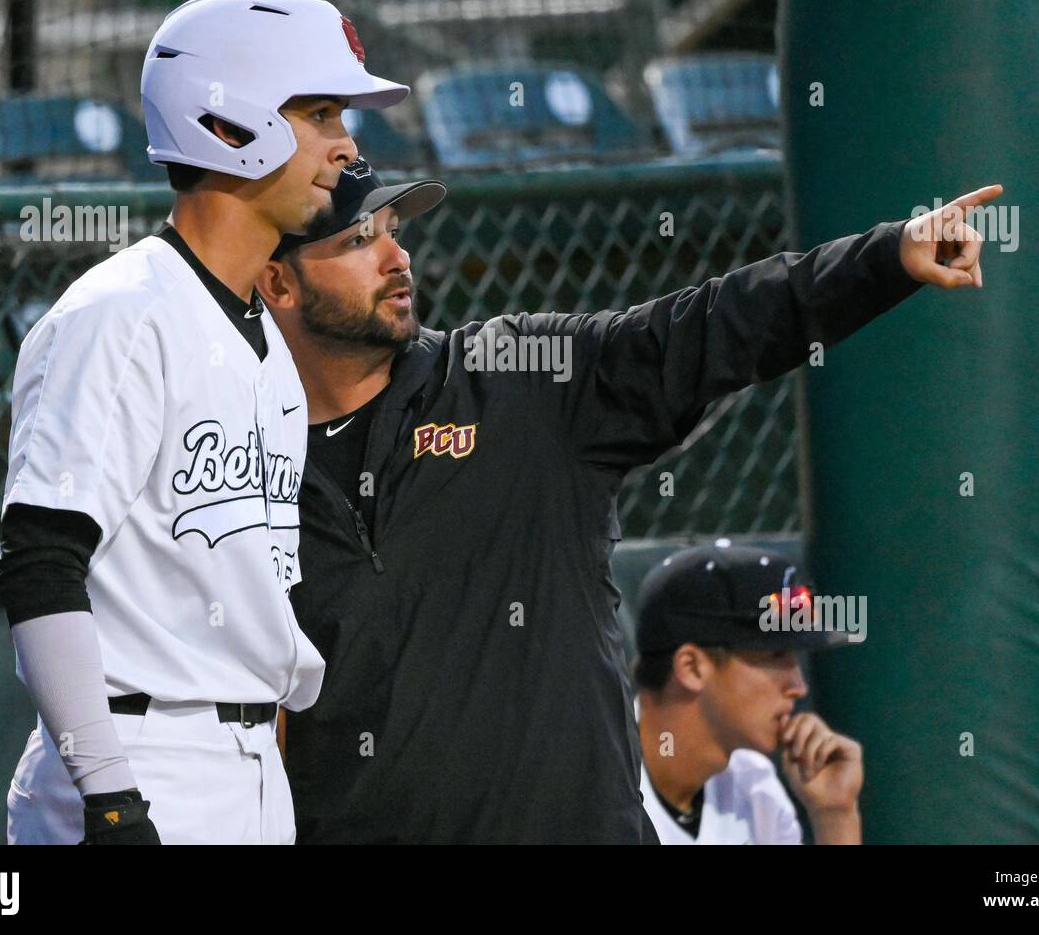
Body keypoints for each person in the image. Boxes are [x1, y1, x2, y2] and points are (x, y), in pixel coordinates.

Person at [258, 149, 1000, 843]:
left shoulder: (513, 379)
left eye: (394, 232)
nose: (399, 258)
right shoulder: (235, 460)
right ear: (278, 281)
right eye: (359, 242)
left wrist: (880, 260)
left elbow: (709, 325)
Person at [0, 0, 408, 844]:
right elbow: (39, 562)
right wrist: (109, 794)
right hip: (141, 757)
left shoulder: (269, 345)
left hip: (248, 770)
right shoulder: (119, 313)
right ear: (227, 126)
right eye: (320, 110)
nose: (346, 143)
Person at [633, 541, 864, 844]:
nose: (798, 687)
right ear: (691, 667)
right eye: (775, 656)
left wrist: (835, 814)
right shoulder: (589, 790)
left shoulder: (753, 786)